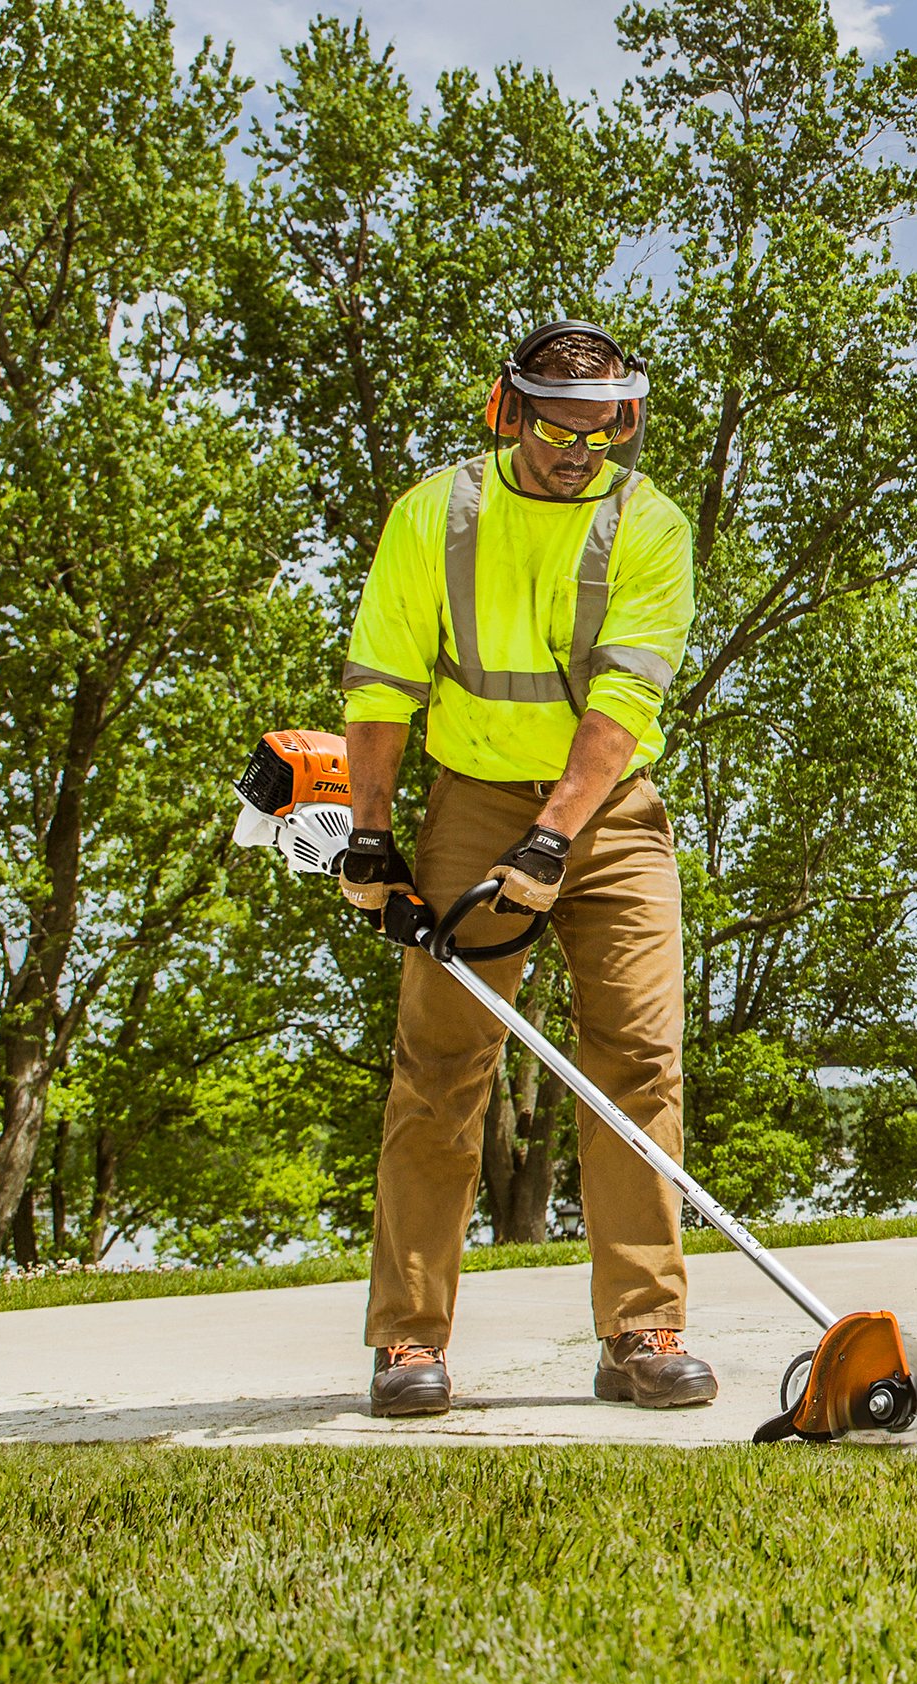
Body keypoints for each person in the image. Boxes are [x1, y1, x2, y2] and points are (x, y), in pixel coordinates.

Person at [334, 320, 711, 1420]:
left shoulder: (649, 524)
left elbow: (624, 701)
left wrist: (552, 842)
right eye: (557, 428)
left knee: (639, 1058)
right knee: (442, 1065)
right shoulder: (436, 514)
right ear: (509, 412)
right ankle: (409, 1338)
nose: (578, 452)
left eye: (601, 433)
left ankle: (642, 1329)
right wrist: (370, 835)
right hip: (468, 802)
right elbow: (381, 683)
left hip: (609, 817)